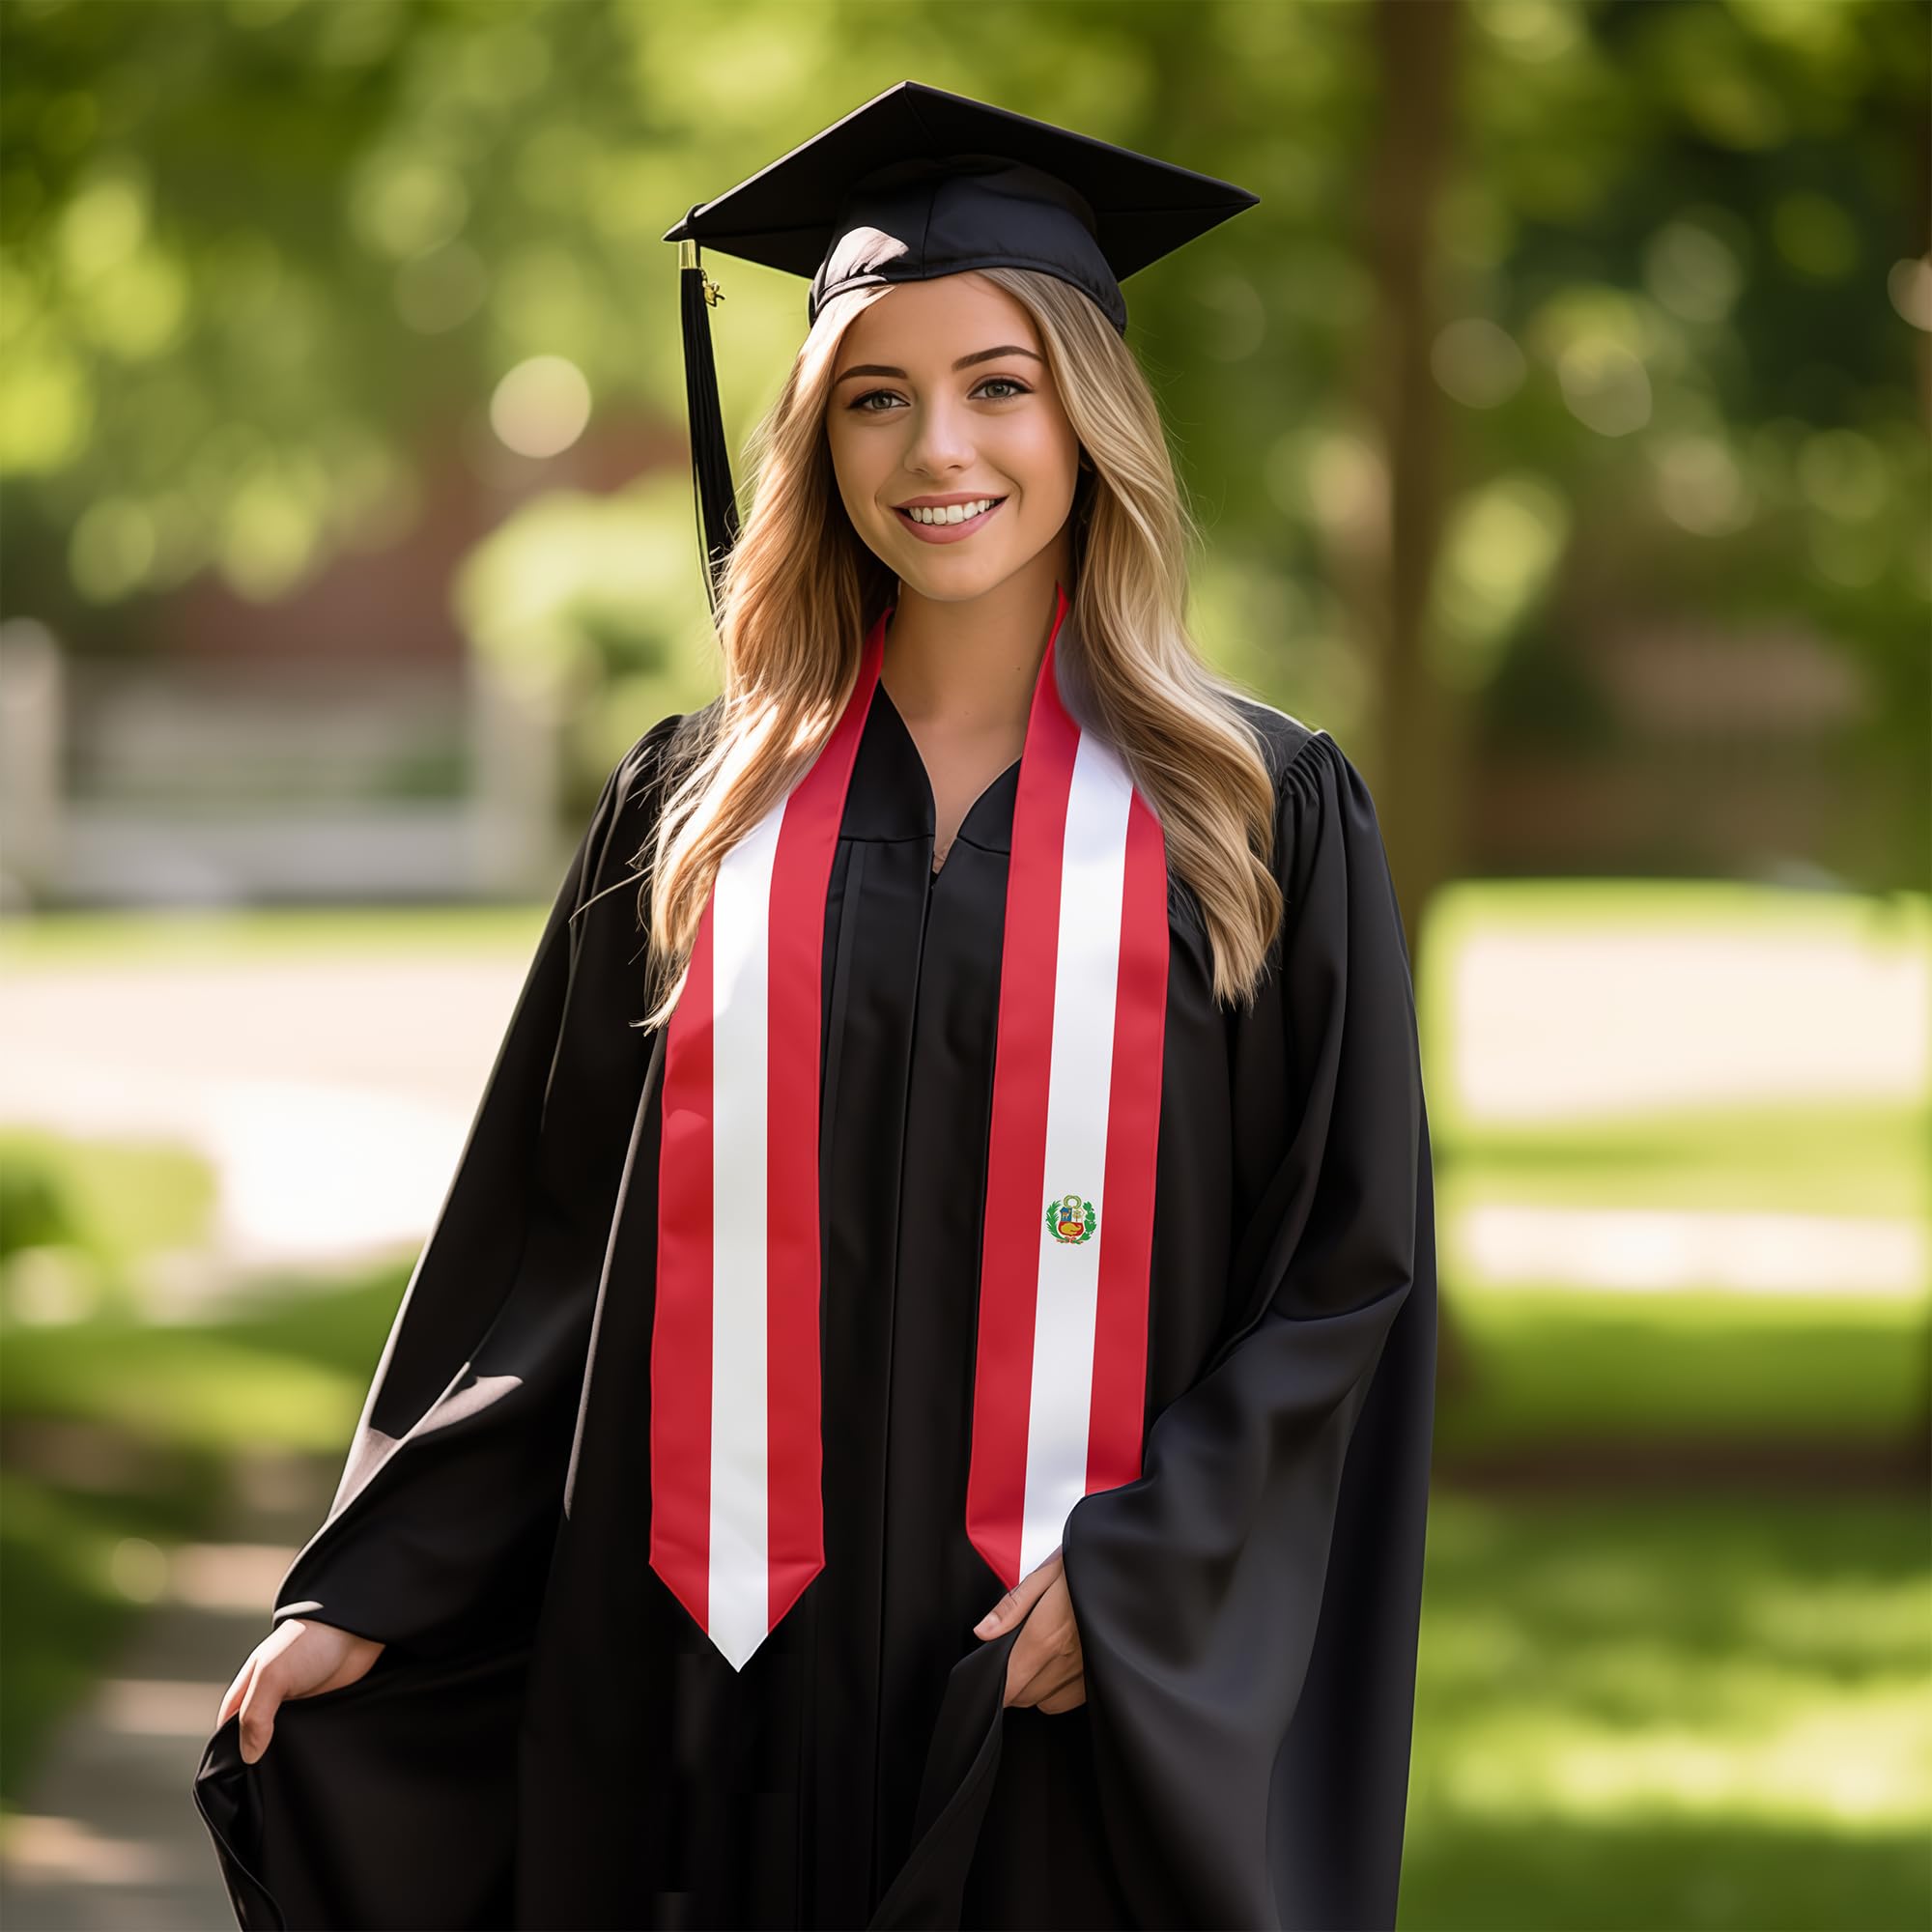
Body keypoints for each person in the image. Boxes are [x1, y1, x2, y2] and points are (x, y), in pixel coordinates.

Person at [194, 78, 1437, 1932]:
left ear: (1091, 419)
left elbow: (1342, 1267)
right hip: (718, 1685)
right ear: (816, 441)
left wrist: (1159, 1576)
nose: (940, 446)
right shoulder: (699, 813)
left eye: (999, 383)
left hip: (1053, 1681)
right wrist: (374, 1582)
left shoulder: (1250, 816)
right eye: (878, 394)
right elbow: (556, 1252)